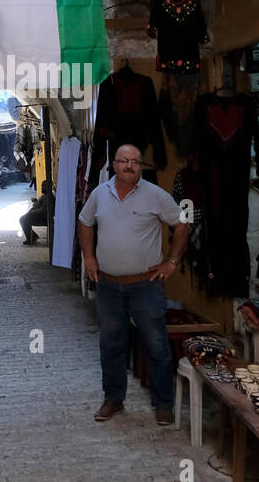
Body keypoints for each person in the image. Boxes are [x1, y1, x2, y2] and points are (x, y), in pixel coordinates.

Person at [78, 144, 190, 425]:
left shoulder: (155, 195)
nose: (129, 166)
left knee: (156, 344)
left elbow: (182, 224)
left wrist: (172, 263)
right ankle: (113, 399)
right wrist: (89, 258)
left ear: (141, 166)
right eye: (124, 161)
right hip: (108, 285)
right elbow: (85, 223)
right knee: (111, 344)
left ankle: (163, 403)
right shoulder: (99, 194)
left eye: (135, 162)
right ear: (113, 164)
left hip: (145, 286)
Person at [19, 180, 54, 245]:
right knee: (23, 219)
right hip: (38, 216)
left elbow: (44, 210)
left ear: (48, 187)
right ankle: (32, 237)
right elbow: (42, 205)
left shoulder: (49, 197)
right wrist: (36, 201)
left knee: (23, 220)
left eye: (43, 186)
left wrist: (32, 212)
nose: (41, 188)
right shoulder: (46, 195)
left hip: (43, 218)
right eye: (42, 186)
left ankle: (31, 238)